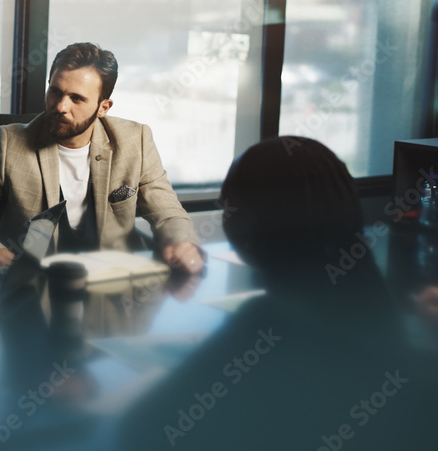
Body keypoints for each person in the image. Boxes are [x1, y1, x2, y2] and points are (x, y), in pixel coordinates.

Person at [117, 136, 434, 450]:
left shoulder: (267, 323)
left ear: (246, 227)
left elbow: (141, 432)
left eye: (229, 207)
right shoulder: (380, 310)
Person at [0, 42, 202, 271]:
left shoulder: (136, 141)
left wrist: (182, 244)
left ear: (103, 107)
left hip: (111, 285)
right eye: (56, 92)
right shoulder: (11, 143)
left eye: (77, 98)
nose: (61, 107)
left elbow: (168, 215)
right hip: (33, 283)